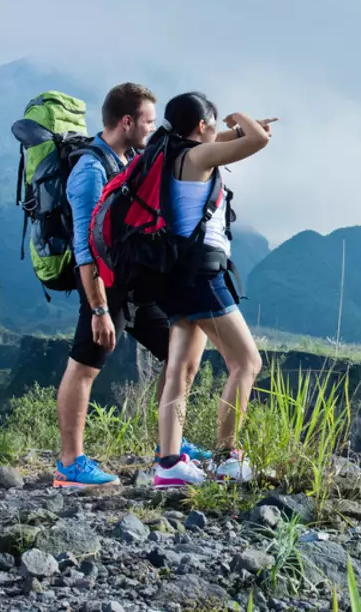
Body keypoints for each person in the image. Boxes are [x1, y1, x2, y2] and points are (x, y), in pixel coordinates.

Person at [53, 82, 214, 487]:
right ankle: (69, 465)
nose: (151, 127)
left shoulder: (134, 158)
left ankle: (170, 446)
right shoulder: (90, 170)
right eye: (146, 120)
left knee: (181, 353)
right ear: (126, 122)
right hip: (106, 289)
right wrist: (99, 310)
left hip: (137, 285)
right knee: (85, 366)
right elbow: (86, 247)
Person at [150, 92, 273, 487]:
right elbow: (258, 141)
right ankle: (226, 456)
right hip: (202, 275)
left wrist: (231, 129)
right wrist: (242, 118)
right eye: (214, 124)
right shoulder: (197, 158)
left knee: (181, 370)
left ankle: (169, 463)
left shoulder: (171, 152)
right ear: (202, 125)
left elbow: (229, 140)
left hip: (175, 274)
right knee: (246, 362)